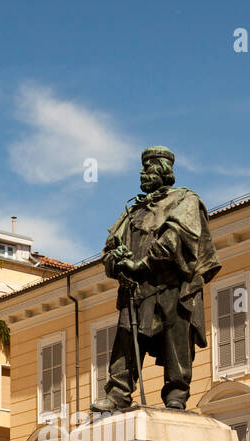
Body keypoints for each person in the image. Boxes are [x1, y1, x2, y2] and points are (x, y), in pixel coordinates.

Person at [90, 146, 221, 412]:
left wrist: (141, 263)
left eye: (148, 168)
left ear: (163, 169)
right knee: (127, 340)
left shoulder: (184, 200)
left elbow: (175, 239)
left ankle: (176, 395)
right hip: (136, 288)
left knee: (176, 340)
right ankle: (118, 394)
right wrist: (117, 261)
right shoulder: (133, 211)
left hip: (171, 286)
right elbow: (108, 249)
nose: (142, 173)